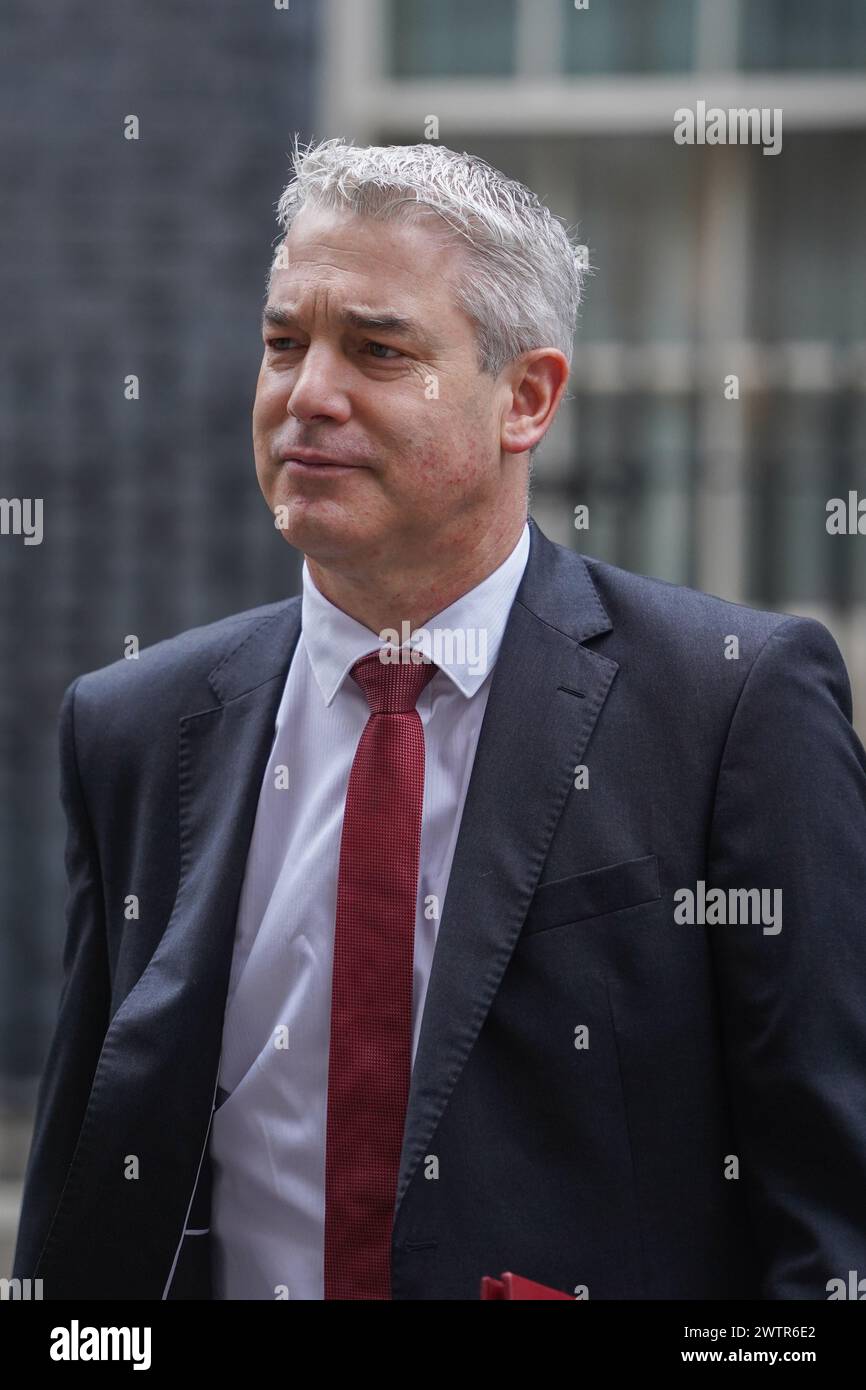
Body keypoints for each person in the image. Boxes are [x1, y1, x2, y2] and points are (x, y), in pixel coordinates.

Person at [13, 137, 866, 1301]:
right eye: (282, 344)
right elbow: (84, 1185)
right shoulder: (134, 726)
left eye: (375, 348)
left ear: (525, 398)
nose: (307, 393)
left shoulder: (731, 703)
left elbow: (827, 1205)